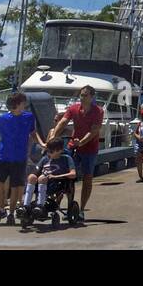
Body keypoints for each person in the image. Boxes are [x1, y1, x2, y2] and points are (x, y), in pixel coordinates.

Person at [0, 92, 43, 225]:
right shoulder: (4, 118)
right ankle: (2, 208)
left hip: (19, 158)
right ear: (17, 104)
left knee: (16, 186)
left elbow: (33, 133)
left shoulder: (29, 117)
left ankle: (11, 213)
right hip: (4, 156)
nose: (25, 104)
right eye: (23, 102)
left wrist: (42, 143)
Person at [49, 84, 104, 220]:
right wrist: (54, 136)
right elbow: (63, 121)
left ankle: (82, 209)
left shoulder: (98, 111)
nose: (82, 97)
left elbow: (94, 130)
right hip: (73, 146)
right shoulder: (73, 108)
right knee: (66, 175)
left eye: (85, 95)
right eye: (81, 95)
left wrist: (83, 142)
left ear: (92, 97)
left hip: (90, 149)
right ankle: (64, 205)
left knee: (87, 178)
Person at [23, 137, 76, 216]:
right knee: (31, 176)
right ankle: (26, 205)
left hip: (57, 182)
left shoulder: (66, 159)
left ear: (60, 150)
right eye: (48, 151)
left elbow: (73, 174)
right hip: (43, 181)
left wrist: (55, 176)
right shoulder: (45, 159)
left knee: (42, 178)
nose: (49, 153)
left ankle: (40, 205)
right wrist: (33, 175)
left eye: (51, 151)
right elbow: (37, 171)